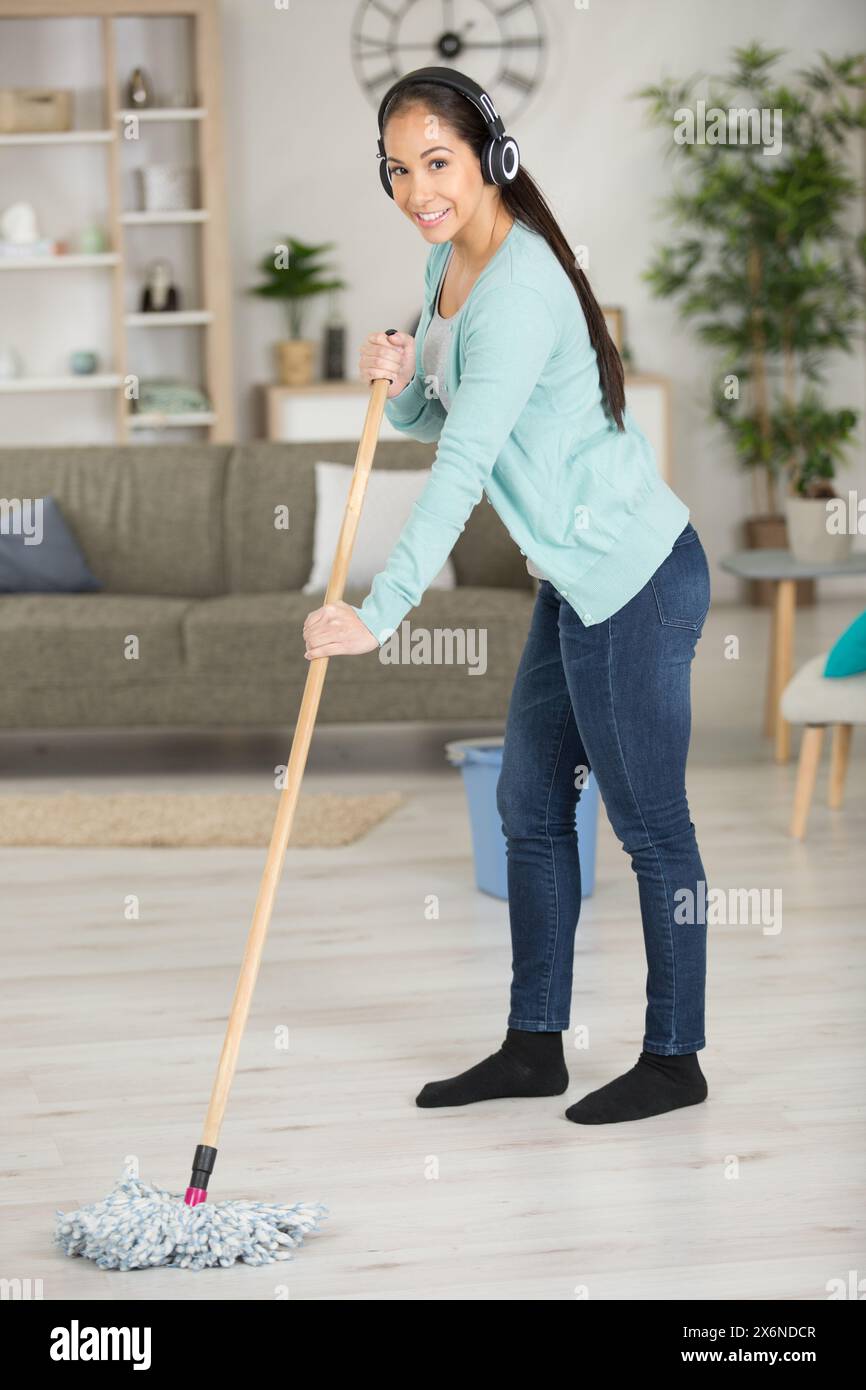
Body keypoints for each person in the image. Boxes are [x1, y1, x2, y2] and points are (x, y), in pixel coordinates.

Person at [303, 69, 711, 1125]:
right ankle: (534, 1045)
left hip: (633, 575)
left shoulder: (520, 284)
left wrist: (377, 612)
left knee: (648, 823)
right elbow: (448, 417)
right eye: (397, 169)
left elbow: (462, 469)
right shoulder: (447, 262)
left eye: (435, 162)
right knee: (528, 808)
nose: (415, 188)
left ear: (491, 155)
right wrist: (401, 387)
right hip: (571, 580)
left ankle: (674, 1058)